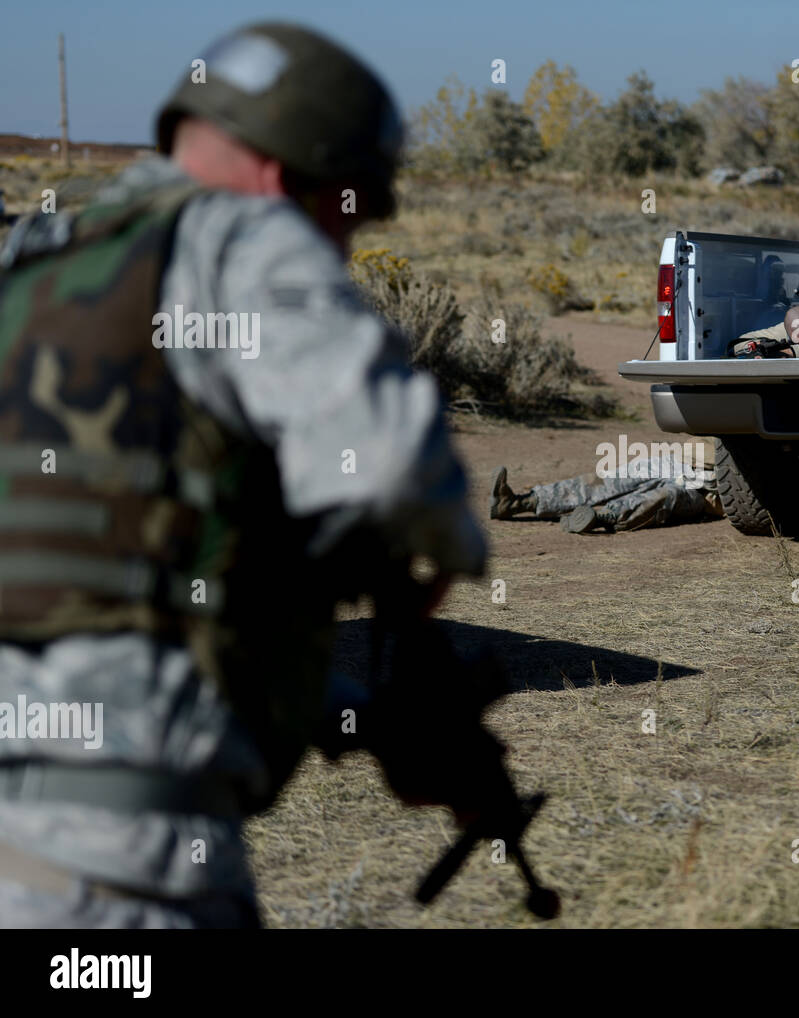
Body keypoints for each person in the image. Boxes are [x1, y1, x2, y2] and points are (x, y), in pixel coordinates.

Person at [0, 22, 485, 928]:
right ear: (285, 175)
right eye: (348, 212)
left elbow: (118, 583)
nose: (344, 242)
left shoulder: (31, 265)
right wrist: (425, 567)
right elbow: (391, 469)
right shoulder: (244, 239)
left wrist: (341, 704)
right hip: (114, 867)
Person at [489, 452, 723, 534]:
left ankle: (603, 517)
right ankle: (518, 503)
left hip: (705, 491)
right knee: (608, 480)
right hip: (679, 464)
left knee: (667, 496)